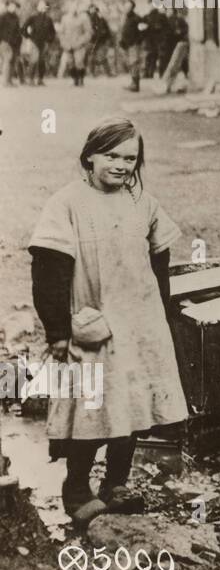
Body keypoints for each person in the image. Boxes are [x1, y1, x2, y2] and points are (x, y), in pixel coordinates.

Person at [28, 118, 189, 528]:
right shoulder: (67, 204)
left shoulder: (143, 204)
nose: (121, 165)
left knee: (133, 405)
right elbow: (49, 269)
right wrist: (58, 331)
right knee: (91, 407)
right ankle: (77, 489)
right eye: (112, 156)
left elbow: (160, 262)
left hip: (139, 322)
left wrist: (163, 316)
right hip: (93, 324)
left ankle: (116, 484)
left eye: (130, 158)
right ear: (90, 156)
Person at [21, 0, 56, 86]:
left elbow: (53, 31)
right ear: (37, 7)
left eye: (44, 6)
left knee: (42, 61)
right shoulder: (33, 17)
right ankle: (31, 79)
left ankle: (40, 80)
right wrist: (28, 37)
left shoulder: (49, 19)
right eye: (41, 6)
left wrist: (49, 40)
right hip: (34, 42)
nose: (43, 7)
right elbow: (23, 28)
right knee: (34, 60)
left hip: (44, 43)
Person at [62, 2, 94, 87]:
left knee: (79, 62)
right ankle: (74, 79)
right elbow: (61, 33)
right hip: (68, 44)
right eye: (72, 7)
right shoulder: (65, 18)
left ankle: (81, 79)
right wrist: (64, 43)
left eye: (76, 7)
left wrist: (81, 41)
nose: (74, 10)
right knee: (70, 63)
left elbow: (89, 32)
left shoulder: (84, 18)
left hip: (79, 44)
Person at [119, 0, 147, 92]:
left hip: (134, 45)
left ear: (132, 8)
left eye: (128, 7)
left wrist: (137, 41)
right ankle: (133, 83)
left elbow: (143, 31)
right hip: (127, 45)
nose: (126, 8)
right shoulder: (125, 18)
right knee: (131, 64)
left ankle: (135, 85)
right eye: (125, 6)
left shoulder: (136, 18)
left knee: (134, 63)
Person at [162, 11, 190, 94]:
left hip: (176, 45)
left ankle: (173, 86)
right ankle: (171, 85)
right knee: (174, 66)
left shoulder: (177, 20)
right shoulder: (168, 19)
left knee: (176, 66)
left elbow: (183, 31)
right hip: (170, 46)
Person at [86, 4, 113, 77]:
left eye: (94, 10)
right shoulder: (87, 19)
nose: (93, 11)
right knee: (91, 57)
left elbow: (106, 30)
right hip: (91, 40)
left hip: (101, 40)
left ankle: (108, 73)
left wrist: (104, 35)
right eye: (91, 9)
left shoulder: (101, 19)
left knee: (102, 56)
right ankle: (92, 73)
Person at [142, 5, 168, 78]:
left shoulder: (160, 16)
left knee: (155, 57)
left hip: (155, 40)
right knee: (153, 57)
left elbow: (167, 29)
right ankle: (152, 73)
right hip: (154, 41)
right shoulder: (147, 17)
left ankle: (153, 74)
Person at [0, 0, 20, 86]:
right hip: (5, 42)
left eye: (15, 6)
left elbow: (18, 30)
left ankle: (9, 81)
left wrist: (18, 41)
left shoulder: (16, 17)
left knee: (12, 60)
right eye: (12, 6)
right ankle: (5, 81)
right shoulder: (3, 16)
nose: (14, 7)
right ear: (7, 6)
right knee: (8, 59)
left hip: (14, 42)